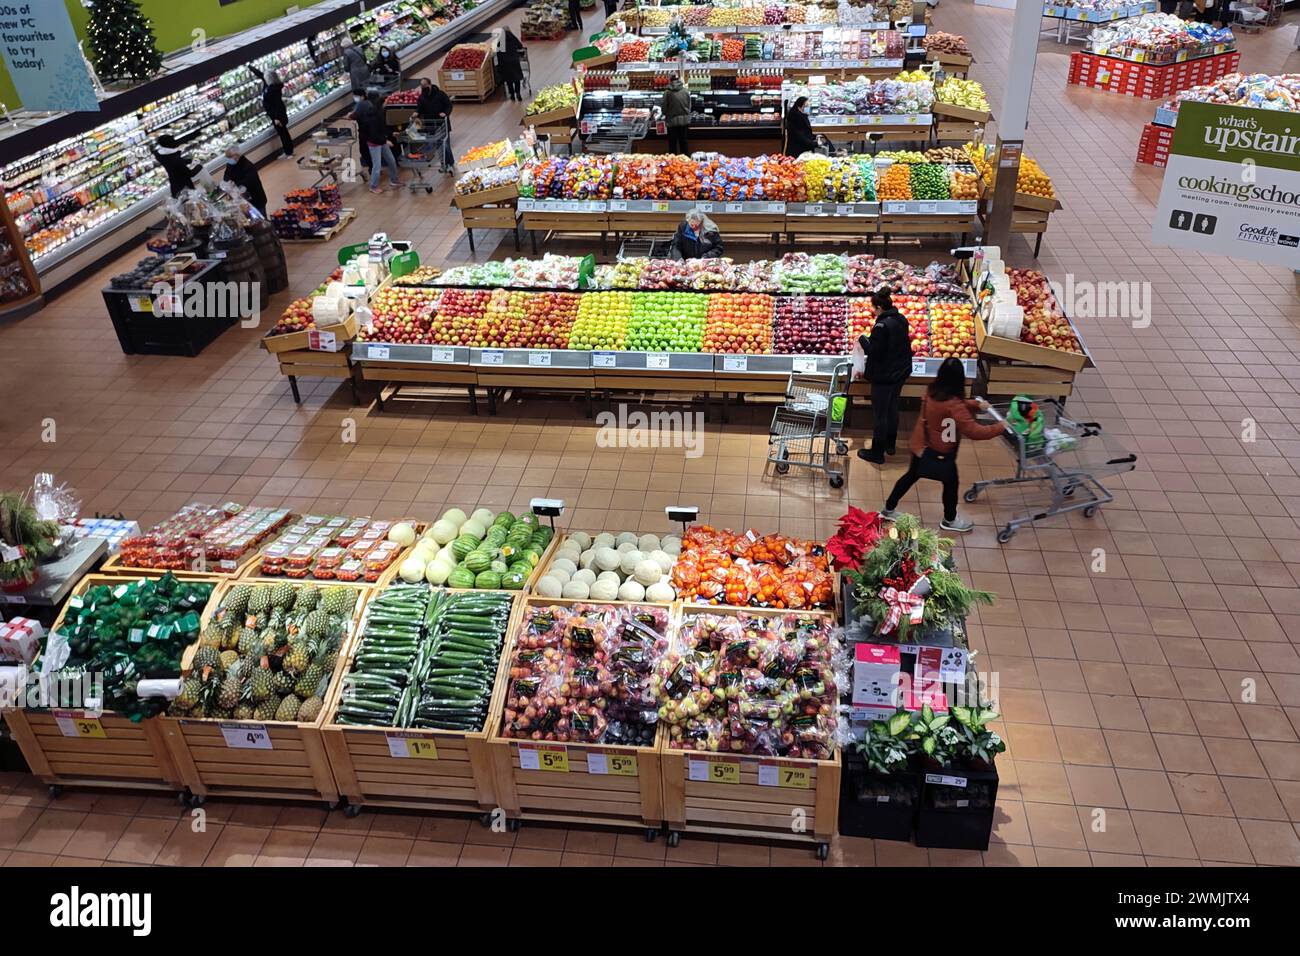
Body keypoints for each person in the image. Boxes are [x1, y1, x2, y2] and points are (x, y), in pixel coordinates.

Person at [880, 357, 1005, 533]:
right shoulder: (954, 405)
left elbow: (952, 406)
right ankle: (949, 520)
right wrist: (1001, 427)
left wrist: (977, 405)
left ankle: (888, 509)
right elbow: (975, 431)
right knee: (951, 484)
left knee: (910, 476)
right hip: (939, 452)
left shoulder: (933, 391)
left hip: (920, 445)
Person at [856, 289, 912, 465]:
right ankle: (890, 445)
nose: (873, 311)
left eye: (874, 308)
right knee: (892, 408)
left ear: (879, 307)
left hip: (885, 375)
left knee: (880, 414)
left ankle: (877, 453)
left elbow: (874, 352)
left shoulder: (881, 326)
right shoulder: (901, 318)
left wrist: (863, 339)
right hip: (900, 372)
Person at [353, 90, 401, 193]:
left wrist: (391, 133)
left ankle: (394, 180)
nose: (387, 104)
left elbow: (382, 128)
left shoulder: (379, 113)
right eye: (386, 102)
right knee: (377, 165)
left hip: (380, 140)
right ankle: (373, 186)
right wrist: (385, 141)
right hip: (374, 143)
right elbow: (373, 133)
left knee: (391, 160)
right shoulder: (373, 116)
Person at [248, 64, 293, 158]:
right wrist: (249, 66)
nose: (264, 78)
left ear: (270, 78)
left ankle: (289, 152)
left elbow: (277, 104)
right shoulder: (269, 84)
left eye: (266, 77)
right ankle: (288, 151)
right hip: (273, 114)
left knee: (283, 133)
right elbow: (260, 74)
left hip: (278, 115)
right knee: (282, 133)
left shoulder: (275, 88)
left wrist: (277, 118)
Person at [417, 76, 455, 172]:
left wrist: (445, 113)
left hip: (442, 124)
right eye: (422, 86)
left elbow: (449, 105)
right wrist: (416, 113)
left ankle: (449, 163)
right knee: (439, 146)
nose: (424, 88)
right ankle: (445, 164)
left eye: (425, 85)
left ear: (430, 84)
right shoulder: (422, 97)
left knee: (445, 145)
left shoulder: (440, 94)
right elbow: (420, 108)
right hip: (431, 125)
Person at [151, 131, 203, 197]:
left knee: (178, 200)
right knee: (189, 202)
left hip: (174, 182)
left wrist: (190, 161)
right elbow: (190, 174)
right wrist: (199, 166)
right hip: (184, 184)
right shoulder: (175, 159)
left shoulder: (159, 155)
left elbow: (174, 163)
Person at [223, 146, 268, 217]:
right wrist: (227, 182)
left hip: (256, 198)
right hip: (244, 198)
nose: (228, 160)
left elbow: (250, 181)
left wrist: (235, 184)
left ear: (236, 156)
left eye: (229, 157)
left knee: (261, 217)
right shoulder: (231, 164)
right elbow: (227, 175)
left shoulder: (247, 166)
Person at [662, 76, 691, 155]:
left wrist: (664, 113)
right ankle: (685, 161)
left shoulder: (667, 92)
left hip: (672, 121)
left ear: (670, 81)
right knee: (683, 142)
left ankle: (673, 163)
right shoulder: (685, 91)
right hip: (684, 121)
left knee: (672, 144)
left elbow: (664, 108)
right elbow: (689, 106)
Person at [497, 28, 526, 102]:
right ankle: (518, 93)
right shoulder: (513, 38)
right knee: (517, 78)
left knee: (509, 80)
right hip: (514, 61)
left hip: (505, 63)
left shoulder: (500, 41)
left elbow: (497, 51)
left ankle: (512, 95)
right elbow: (520, 46)